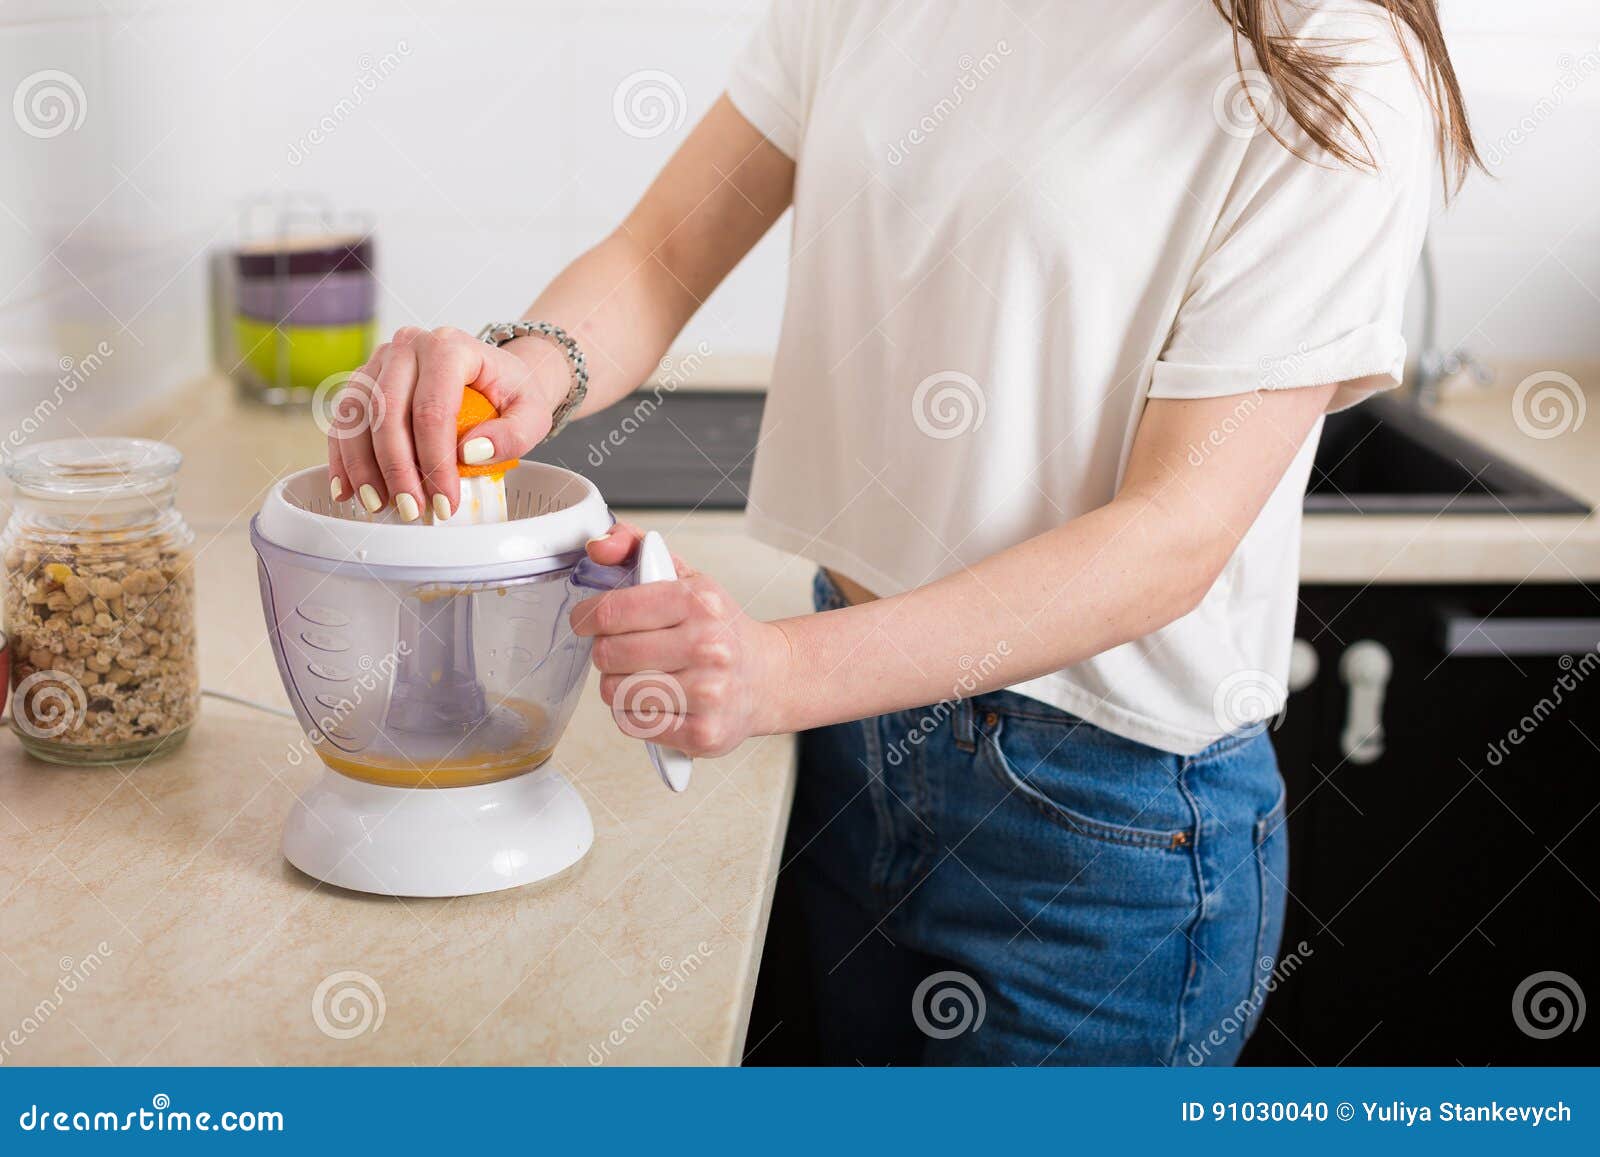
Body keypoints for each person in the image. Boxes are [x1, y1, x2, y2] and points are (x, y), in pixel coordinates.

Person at [325, 1, 1478, 1064]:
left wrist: (779, 671)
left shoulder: (1336, 66)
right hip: (848, 748)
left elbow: (1171, 533)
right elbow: (663, 250)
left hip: (1100, 831)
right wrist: (528, 368)